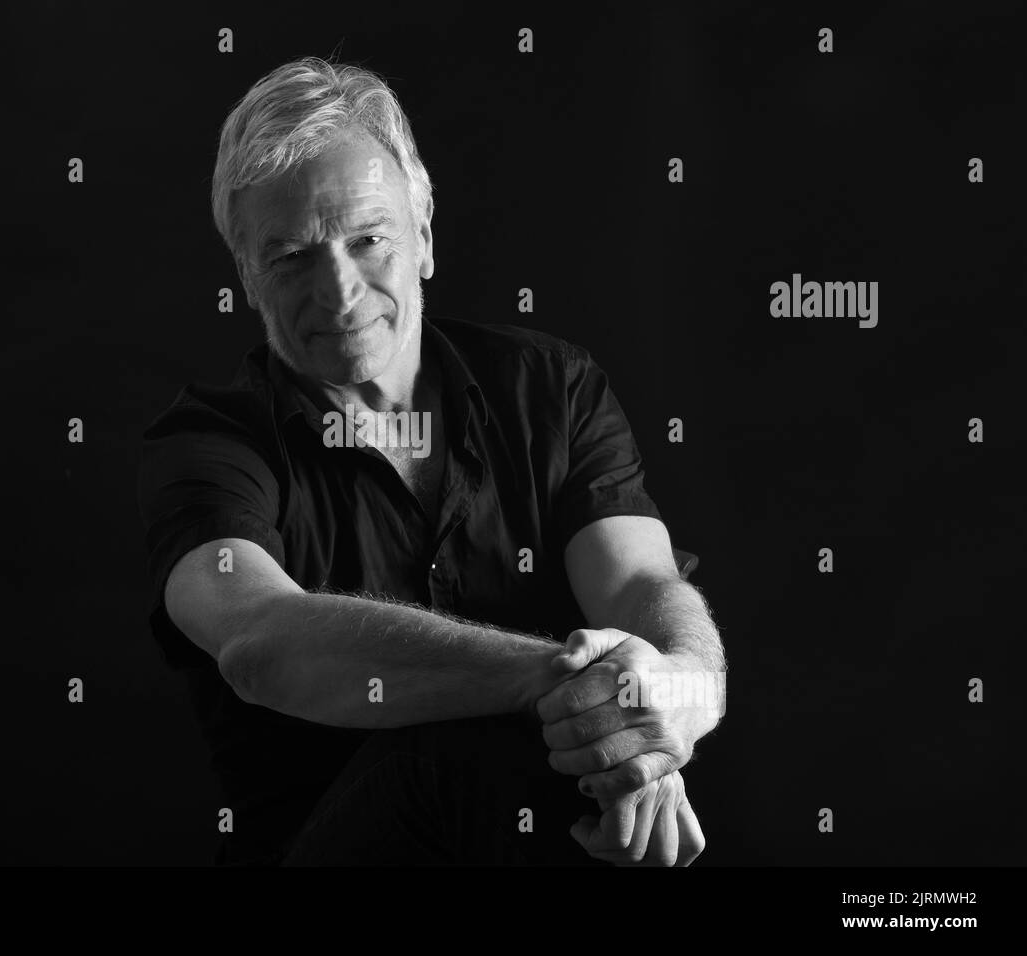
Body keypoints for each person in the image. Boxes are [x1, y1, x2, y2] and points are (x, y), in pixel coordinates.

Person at [137, 56, 726, 866]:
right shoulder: (207, 445)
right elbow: (260, 641)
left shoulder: (549, 387)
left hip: (556, 836)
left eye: (368, 239)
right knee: (453, 758)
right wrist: (562, 683)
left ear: (425, 239)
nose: (339, 292)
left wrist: (673, 694)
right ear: (245, 277)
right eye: (290, 259)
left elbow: (641, 587)